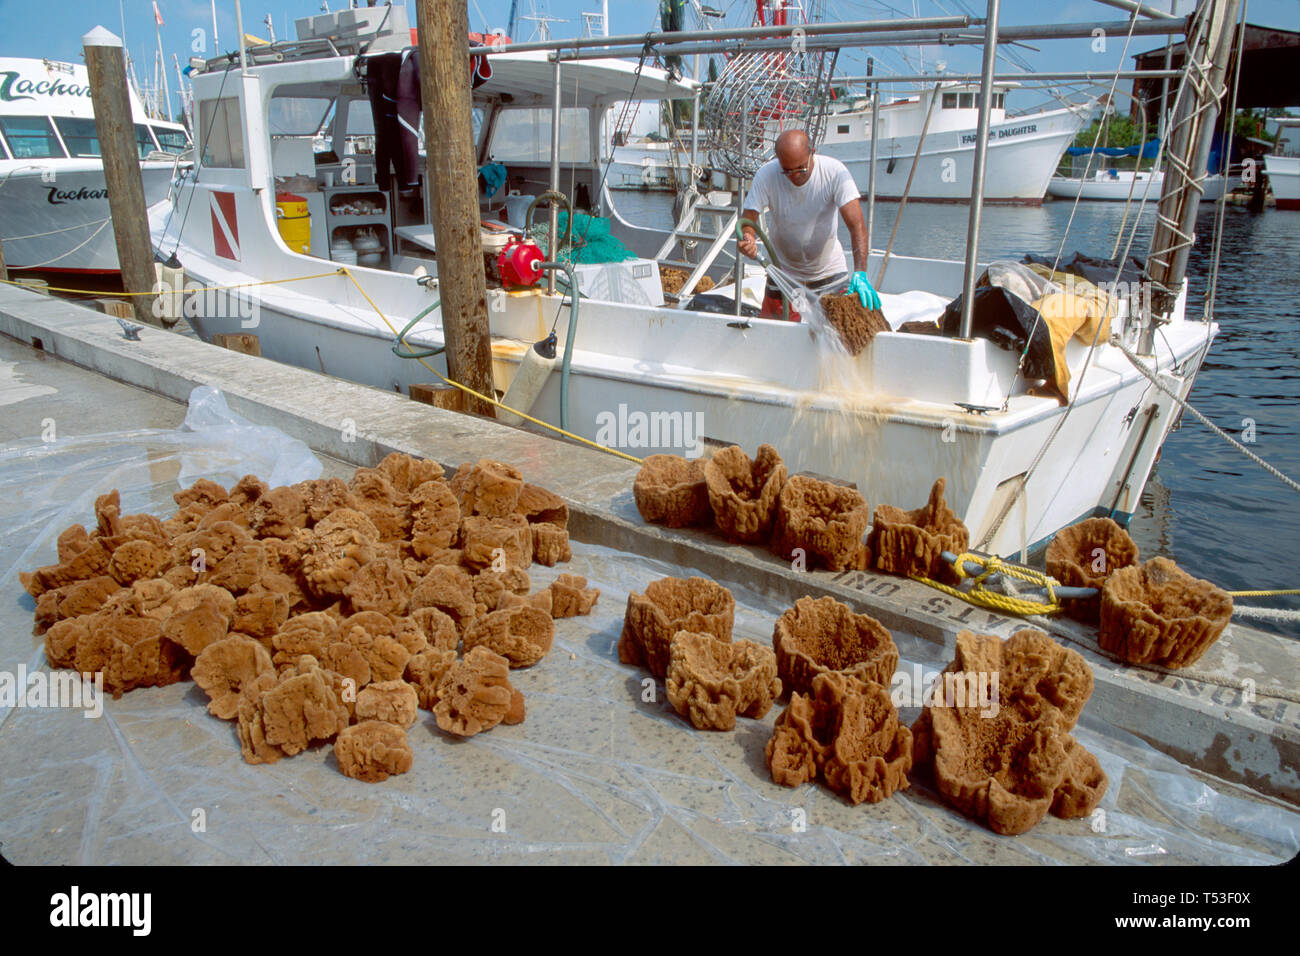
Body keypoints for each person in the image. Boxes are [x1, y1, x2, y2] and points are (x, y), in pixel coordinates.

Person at [737, 129, 879, 320]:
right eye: (787, 170)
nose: (794, 176)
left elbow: (857, 225)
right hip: (783, 272)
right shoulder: (766, 175)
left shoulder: (834, 172)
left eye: (801, 169)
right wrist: (748, 239)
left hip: (829, 271)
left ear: (812, 152)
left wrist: (860, 272)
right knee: (773, 335)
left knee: (843, 331)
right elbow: (748, 220)